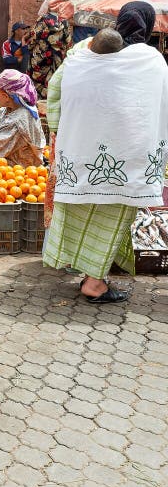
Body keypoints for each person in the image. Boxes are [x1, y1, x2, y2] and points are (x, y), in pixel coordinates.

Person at [42, 27, 168, 303]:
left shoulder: (76, 62)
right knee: (109, 226)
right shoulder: (146, 64)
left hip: (79, 163)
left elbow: (54, 96)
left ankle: (87, 275)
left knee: (80, 221)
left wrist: (60, 132)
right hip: (124, 167)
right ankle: (95, 283)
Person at [45, 2, 157, 228]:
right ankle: (109, 258)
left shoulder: (86, 48)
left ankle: (64, 251)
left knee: (75, 197)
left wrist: (58, 126)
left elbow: (56, 85)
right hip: (126, 146)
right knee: (115, 204)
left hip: (76, 136)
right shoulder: (150, 60)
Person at [28, 0, 72, 99]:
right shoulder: (64, 21)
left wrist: (29, 48)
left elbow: (34, 36)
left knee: (37, 80)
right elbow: (68, 42)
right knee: (53, 81)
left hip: (41, 56)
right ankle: (49, 102)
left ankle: (37, 102)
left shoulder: (42, 20)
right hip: (57, 57)